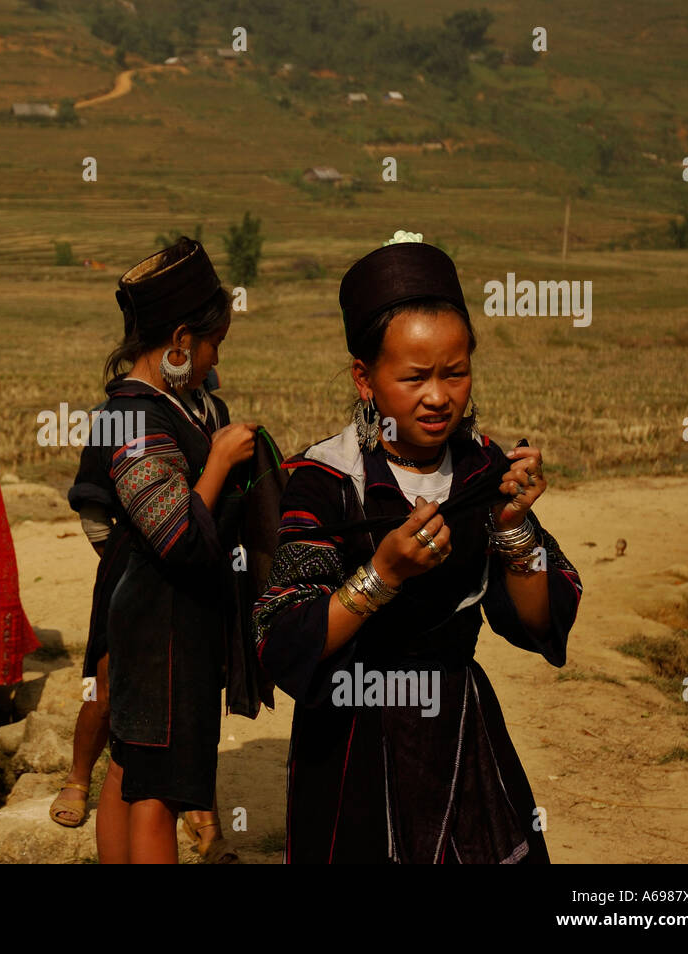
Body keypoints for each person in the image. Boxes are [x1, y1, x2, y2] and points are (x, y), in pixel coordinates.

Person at [253, 231, 583, 863]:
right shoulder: (326, 481)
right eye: (415, 377)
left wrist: (514, 526)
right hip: (355, 734)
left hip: (459, 728)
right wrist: (380, 575)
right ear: (365, 378)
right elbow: (280, 634)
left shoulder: (485, 469)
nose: (438, 396)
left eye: (455, 373)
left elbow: (538, 622)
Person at [64, 236, 257, 863]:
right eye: (212, 345)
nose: (213, 359)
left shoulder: (175, 407)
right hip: (160, 628)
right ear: (180, 341)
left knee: (131, 769)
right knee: (160, 791)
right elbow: (178, 537)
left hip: (161, 619)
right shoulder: (131, 419)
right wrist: (222, 461)